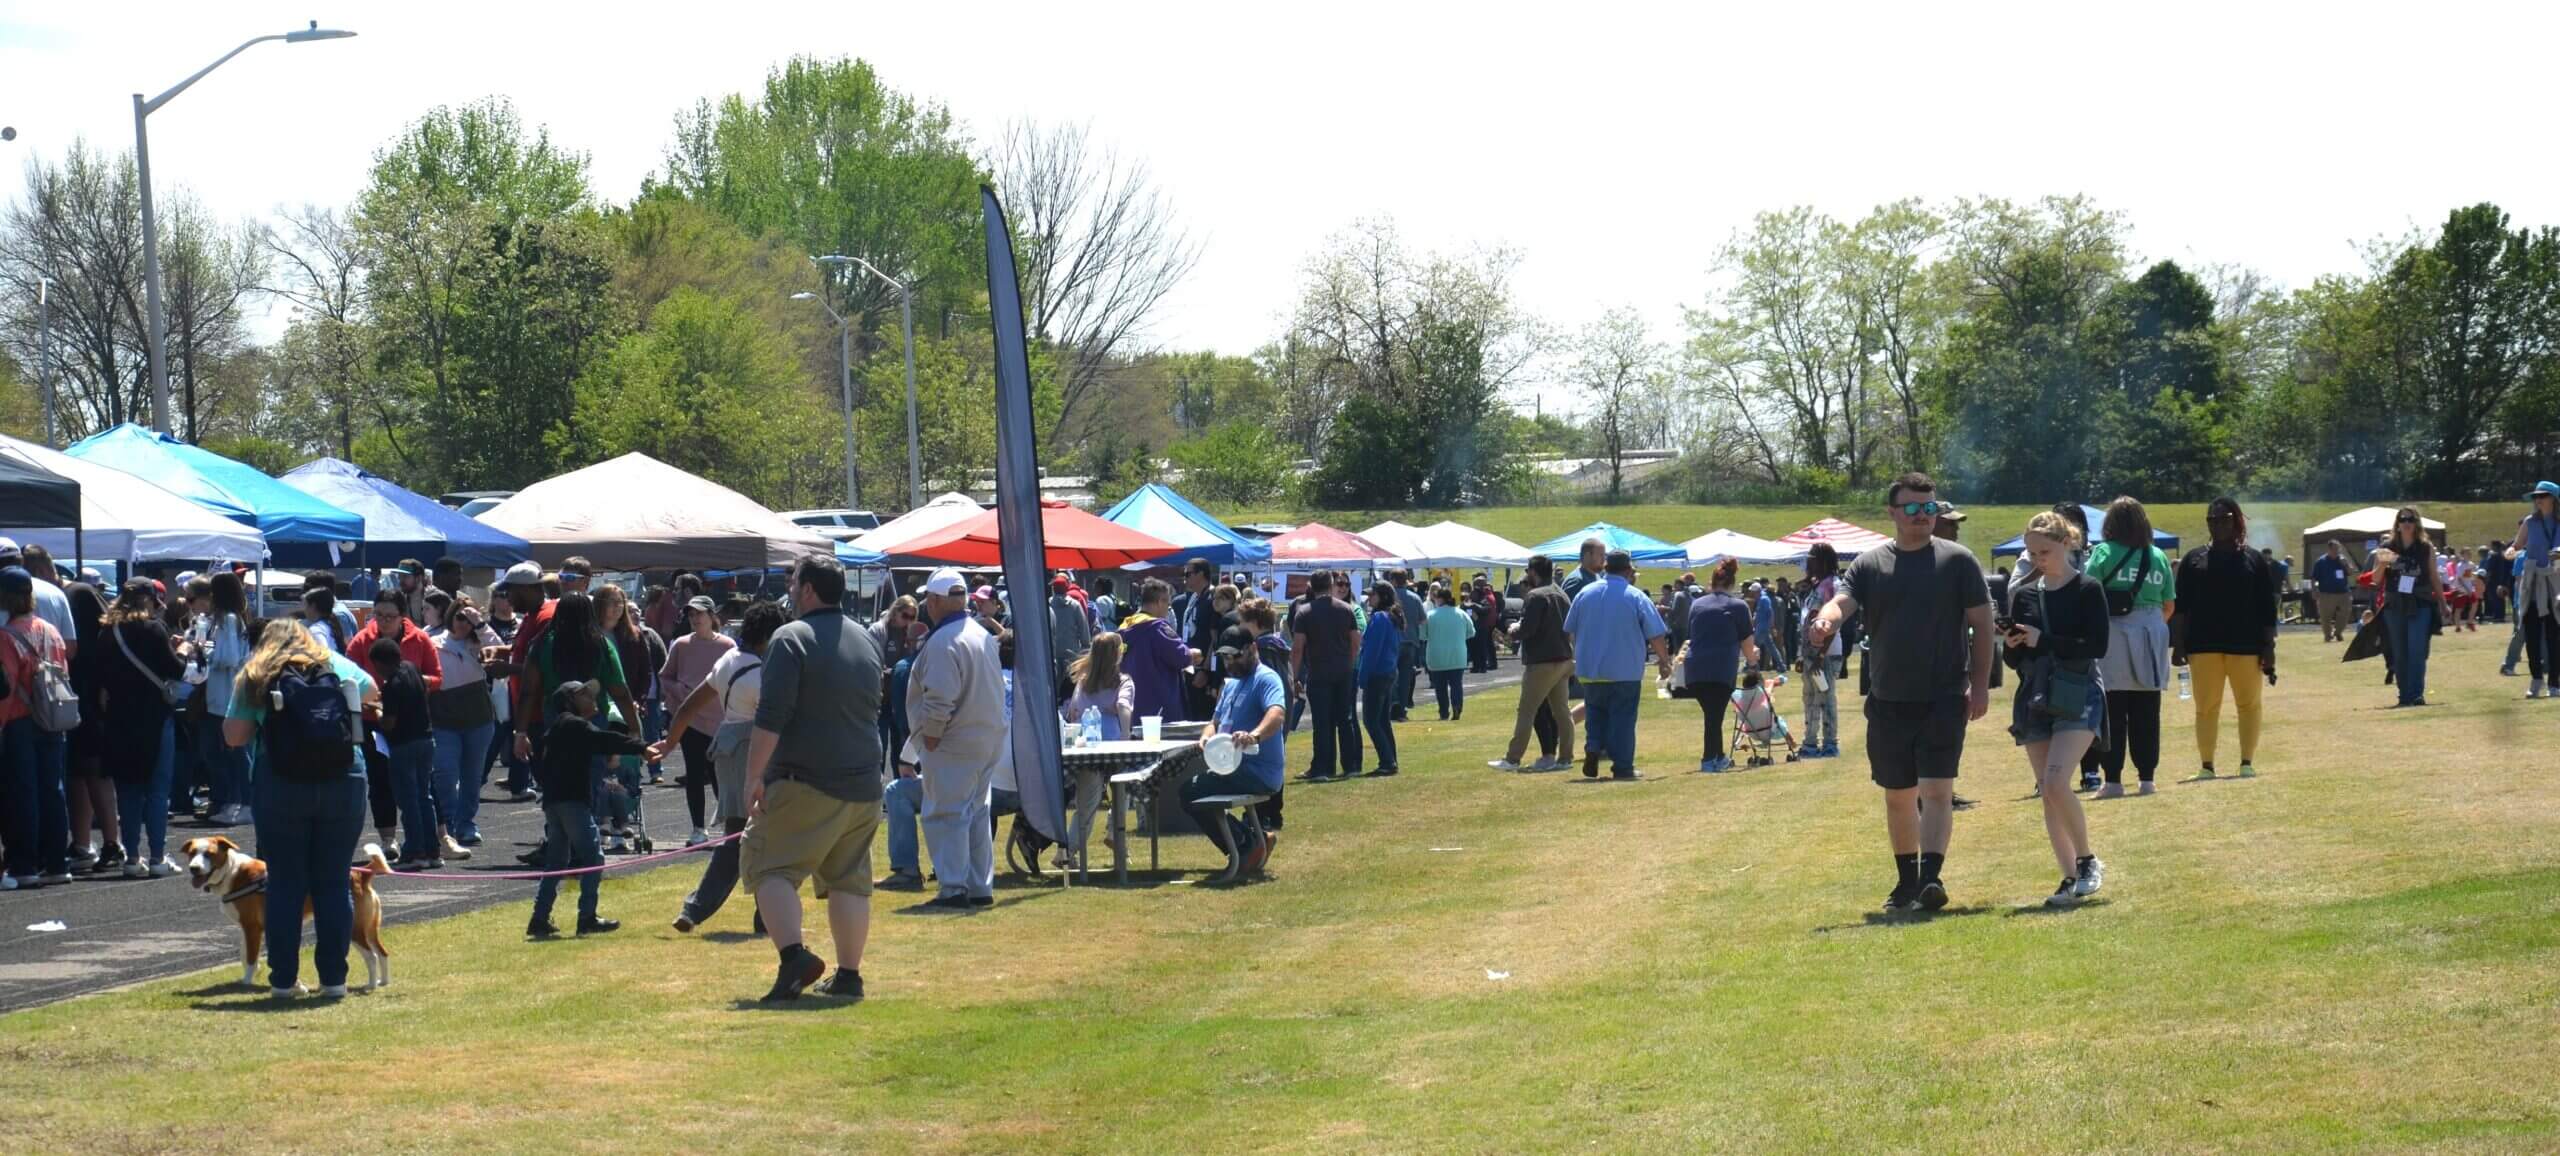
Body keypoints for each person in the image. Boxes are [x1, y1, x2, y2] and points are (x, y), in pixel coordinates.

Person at [1804, 472, 1994, 913]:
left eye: (1929, 508)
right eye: (1912, 508)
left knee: (1937, 790)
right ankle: (1906, 881)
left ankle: (1931, 878)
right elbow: (1843, 601)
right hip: (1889, 698)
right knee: (1898, 793)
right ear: (1892, 513)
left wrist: (1980, 684)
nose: (1922, 517)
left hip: (1945, 694)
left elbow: (1982, 625)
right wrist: (1826, 620)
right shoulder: (1871, 563)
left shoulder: (1958, 561)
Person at [741, 553, 884, 1002]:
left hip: (807, 780)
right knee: (848, 879)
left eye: (792, 580)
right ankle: (849, 976)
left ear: (806, 589)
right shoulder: (865, 638)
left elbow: (771, 716)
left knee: (768, 865)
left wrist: (753, 777)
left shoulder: (790, 637)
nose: (788, 588)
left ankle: (793, 959)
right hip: (864, 784)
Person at [222, 619, 378, 998]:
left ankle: (283, 980)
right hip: (344, 778)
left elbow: (233, 736)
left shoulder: (256, 674)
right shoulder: (335, 665)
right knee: (333, 879)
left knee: (285, 883)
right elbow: (372, 689)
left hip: (282, 784)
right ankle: (334, 980)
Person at [2000, 510, 2109, 906]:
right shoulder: (2026, 595)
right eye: (2030, 553)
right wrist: (2012, 647)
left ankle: (2087, 861)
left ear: (2068, 543)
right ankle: (2068, 878)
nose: (2036, 560)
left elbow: (2096, 646)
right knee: (2048, 791)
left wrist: (2044, 638)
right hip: (2036, 694)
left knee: (2057, 781)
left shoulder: (2088, 589)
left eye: (2044, 551)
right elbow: (2018, 662)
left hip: (2078, 691)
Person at [657, 600, 784, 932]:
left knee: (750, 835)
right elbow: (778, 724)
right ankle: (698, 908)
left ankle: (761, 915)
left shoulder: (728, 659)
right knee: (748, 837)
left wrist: (669, 743)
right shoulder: (760, 674)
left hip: (726, 747)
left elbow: (688, 706)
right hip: (752, 750)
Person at [908, 567, 1009, 912]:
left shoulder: (943, 641)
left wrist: (931, 736)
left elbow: (939, 698)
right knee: (977, 812)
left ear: (935, 601)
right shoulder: (979, 633)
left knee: (946, 813)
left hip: (955, 738)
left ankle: (952, 888)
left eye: (928, 599)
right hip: (988, 734)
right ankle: (979, 886)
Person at [527, 679, 647, 939]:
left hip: (554, 803)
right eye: (585, 694)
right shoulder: (574, 724)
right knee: (593, 858)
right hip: (572, 802)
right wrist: (641, 747)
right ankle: (587, 917)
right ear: (570, 700)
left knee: (556, 863)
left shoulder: (557, 728)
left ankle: (539, 918)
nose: (592, 699)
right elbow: (604, 740)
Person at [2171, 497, 2278, 777]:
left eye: (2224, 518)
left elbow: (2267, 608)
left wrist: (2269, 648)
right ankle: (2206, 765)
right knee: (2205, 707)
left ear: (2237, 520)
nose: (2217, 524)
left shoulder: (2254, 559)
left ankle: (2246, 762)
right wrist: (2178, 644)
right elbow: (2180, 607)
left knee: (2249, 705)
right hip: (2203, 645)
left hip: (2246, 645)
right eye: (2211, 520)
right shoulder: (2194, 559)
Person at [2079, 498, 2174, 798]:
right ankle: (2147, 778)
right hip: (2152, 632)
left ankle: (2114, 781)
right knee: (2148, 709)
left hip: (2114, 634)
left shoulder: (2103, 552)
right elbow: (2169, 604)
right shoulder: (2157, 555)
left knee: (2113, 711)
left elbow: (2088, 594)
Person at [95, 579, 189, 878]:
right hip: (154, 717)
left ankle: (132, 857)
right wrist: (183, 649)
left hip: (119, 719)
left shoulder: (108, 632)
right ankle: (158, 856)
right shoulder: (153, 629)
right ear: (149, 599)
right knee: (157, 791)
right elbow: (176, 669)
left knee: (128, 791)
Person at [1181, 625, 1286, 874]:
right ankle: (1253, 838)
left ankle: (1246, 845)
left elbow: (1277, 713)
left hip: (1259, 771)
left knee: (1190, 792)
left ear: (1252, 649)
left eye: (1235, 656)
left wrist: (1254, 736)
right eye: (1225, 657)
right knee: (1190, 791)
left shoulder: (1266, 678)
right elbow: (1215, 723)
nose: (1230, 663)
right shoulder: (1231, 685)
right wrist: (1206, 738)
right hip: (1232, 767)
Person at [348, 590, 445, 857]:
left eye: (390, 616)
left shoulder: (418, 643)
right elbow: (347, 679)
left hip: (406, 725)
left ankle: (425, 844)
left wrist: (406, 689)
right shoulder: (360, 642)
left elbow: (437, 678)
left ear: (402, 615)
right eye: (378, 615)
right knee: (383, 782)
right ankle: (397, 841)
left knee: (415, 792)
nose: (384, 621)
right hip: (381, 726)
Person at [1564, 549, 1674, 780]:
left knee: (1595, 713)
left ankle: (1593, 746)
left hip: (1591, 670)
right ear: (1627, 570)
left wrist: (1581, 653)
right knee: (1623, 719)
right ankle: (1622, 767)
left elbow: (1570, 629)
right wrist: (1664, 661)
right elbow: (1655, 634)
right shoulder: (1635, 596)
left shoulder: (1585, 593)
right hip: (1624, 669)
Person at [0, 567, 72, 888]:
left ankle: (25, 863)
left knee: (22, 792)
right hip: (52, 718)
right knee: (53, 791)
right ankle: (57, 862)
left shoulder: (6, 636)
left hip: (18, 721)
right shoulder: (51, 631)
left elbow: (8, 687)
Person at [426, 594, 502, 849]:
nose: (464, 623)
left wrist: (481, 626)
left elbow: (501, 652)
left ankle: (467, 824)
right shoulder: (432, 640)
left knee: (472, 775)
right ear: (450, 616)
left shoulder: (479, 644)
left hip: (478, 718)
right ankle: (447, 823)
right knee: (445, 773)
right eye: (460, 617)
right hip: (442, 718)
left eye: (470, 619)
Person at [661, 594, 737, 845]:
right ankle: (698, 828)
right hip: (691, 721)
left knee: (720, 775)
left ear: (711, 616)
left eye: (699, 614)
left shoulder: (727, 646)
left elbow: (736, 677)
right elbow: (665, 677)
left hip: (720, 721)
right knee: (694, 773)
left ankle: (729, 827)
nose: (694, 619)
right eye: (691, 615)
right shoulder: (680, 645)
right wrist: (680, 691)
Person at [1057, 631, 1135, 864]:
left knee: (1086, 805)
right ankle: (1114, 830)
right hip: (1113, 745)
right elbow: (1123, 705)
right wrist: (1125, 734)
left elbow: (1073, 713)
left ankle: (1067, 851)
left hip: (1086, 748)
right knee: (1124, 789)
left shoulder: (1082, 682)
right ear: (1117, 654)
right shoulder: (1123, 681)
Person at [1491, 556, 1576, 772]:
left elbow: (1528, 629)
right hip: (1565, 658)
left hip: (1542, 661)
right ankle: (1565, 758)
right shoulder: (1562, 594)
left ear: (1533, 572)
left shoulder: (1535, 596)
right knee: (1562, 711)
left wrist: (1512, 630)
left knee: (1527, 711)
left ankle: (1512, 758)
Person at [594, 584, 663, 848]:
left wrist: (638, 702)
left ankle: (621, 824)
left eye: (620, 602)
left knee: (628, 768)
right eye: (611, 602)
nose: (617, 607)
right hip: (599, 710)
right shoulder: (590, 637)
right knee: (602, 769)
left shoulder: (634, 637)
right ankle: (602, 821)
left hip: (628, 712)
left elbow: (646, 674)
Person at [365, 636, 441, 871]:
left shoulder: (392, 685)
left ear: (380, 663)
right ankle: (432, 850)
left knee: (408, 800)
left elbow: (388, 723)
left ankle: (415, 851)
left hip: (403, 746)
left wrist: (375, 711)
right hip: (426, 739)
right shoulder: (412, 670)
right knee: (424, 797)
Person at [61, 581, 118, 875]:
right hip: (78, 698)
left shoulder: (78, 594)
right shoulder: (74, 595)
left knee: (93, 771)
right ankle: (84, 844)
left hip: (88, 699)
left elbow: (107, 631)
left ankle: (110, 843)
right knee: (78, 772)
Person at [1683, 560, 1758, 773]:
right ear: (1732, 583)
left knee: (1712, 714)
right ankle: (1709, 759)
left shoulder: (1697, 604)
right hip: (1720, 667)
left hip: (1695, 667)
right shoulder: (1738, 606)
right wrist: (1753, 662)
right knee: (1714, 714)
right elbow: (1747, 643)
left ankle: (1718, 756)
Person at [2371, 507, 2447, 709]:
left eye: (2410, 519)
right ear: (2397, 523)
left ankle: (2416, 694)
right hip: (2395, 604)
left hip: (2420, 602)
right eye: (2403, 519)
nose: (2406, 523)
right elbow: (2375, 579)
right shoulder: (2387, 547)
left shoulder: (2425, 547)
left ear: (2416, 523)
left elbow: (2433, 576)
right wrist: (2382, 563)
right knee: (2399, 651)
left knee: (2417, 650)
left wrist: (2443, 602)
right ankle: (2404, 695)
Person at [1290, 571, 1362, 781]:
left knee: (1322, 722)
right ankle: (1351, 766)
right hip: (1343, 670)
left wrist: (1295, 677)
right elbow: (1355, 641)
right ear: (1331, 585)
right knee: (1345, 718)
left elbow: (1298, 648)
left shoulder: (1304, 612)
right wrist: (1348, 661)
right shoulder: (1346, 609)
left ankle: (1323, 768)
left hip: (1318, 671)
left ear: (1311, 586)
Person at [1117, 579, 1195, 726]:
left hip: (1131, 705)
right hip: (1160, 708)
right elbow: (1181, 657)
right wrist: (1192, 654)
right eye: (1168, 604)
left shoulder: (1123, 628)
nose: (1168, 608)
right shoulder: (1157, 628)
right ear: (1160, 602)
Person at [2510, 481, 2560, 698]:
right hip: (2532, 582)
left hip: (2555, 583)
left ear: (2554, 499)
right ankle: (2536, 680)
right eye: (2536, 496)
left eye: (2543, 495)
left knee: (2554, 635)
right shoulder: (2530, 522)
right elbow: (2517, 545)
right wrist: (2510, 551)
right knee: (2530, 634)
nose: (2538, 499)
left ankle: (2554, 683)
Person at [1795, 545, 1845, 760]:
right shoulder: (1817, 586)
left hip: (1825, 653)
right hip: (1809, 654)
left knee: (1825, 697)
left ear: (1823, 561)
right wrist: (1801, 654)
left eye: (1812, 559)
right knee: (1810, 698)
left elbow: (1833, 623)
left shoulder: (1832, 586)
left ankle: (1830, 742)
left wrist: (1821, 655)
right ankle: (1810, 742)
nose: (1809, 564)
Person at [1355, 582, 1403, 777]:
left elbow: (1372, 651)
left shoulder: (1380, 618)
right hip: (1389, 671)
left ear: (1381, 596)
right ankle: (1390, 759)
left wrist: (1363, 676)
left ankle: (1387, 761)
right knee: (1382, 720)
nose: (1369, 599)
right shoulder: (1391, 617)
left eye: (1372, 595)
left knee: (1371, 720)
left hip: (1378, 673)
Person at [1175, 558, 1222, 720]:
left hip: (1204, 671)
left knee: (1203, 716)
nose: (1185, 578)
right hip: (1191, 666)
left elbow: (1214, 639)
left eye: (1188, 574)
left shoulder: (1212, 599)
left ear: (1201, 574)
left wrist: (1206, 671)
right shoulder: (1194, 599)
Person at [1420, 584, 1474, 722]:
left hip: (1437, 656)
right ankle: (1457, 706)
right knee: (1456, 684)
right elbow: (1471, 632)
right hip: (1457, 655)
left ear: (1439, 599)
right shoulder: (1461, 614)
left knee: (1440, 687)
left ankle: (1443, 712)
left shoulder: (1431, 615)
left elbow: (1423, 635)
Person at [1388, 570, 1428, 722]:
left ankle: (1394, 704)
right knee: (1406, 677)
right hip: (1411, 640)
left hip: (1394, 641)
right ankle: (1403, 707)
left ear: (1393, 580)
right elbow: (1423, 620)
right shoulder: (1415, 597)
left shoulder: (1390, 598)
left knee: (1392, 674)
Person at [1047, 575, 1094, 693]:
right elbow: (1083, 628)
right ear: (1066, 588)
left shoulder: (1047, 604)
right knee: (1071, 684)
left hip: (1052, 651)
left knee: (1054, 684)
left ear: (1053, 588)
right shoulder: (1075, 605)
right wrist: (1086, 647)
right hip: (1071, 650)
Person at [2311, 542, 2354, 643]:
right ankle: (2327, 635)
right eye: (2335, 549)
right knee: (2326, 616)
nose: (2337, 552)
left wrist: (2346, 564)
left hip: (2343, 593)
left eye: (2338, 549)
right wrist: (2314, 590)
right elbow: (2313, 578)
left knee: (2345, 613)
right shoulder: (2321, 562)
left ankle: (2338, 632)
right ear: (2329, 549)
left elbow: (2351, 572)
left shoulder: (2343, 560)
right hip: (2326, 594)